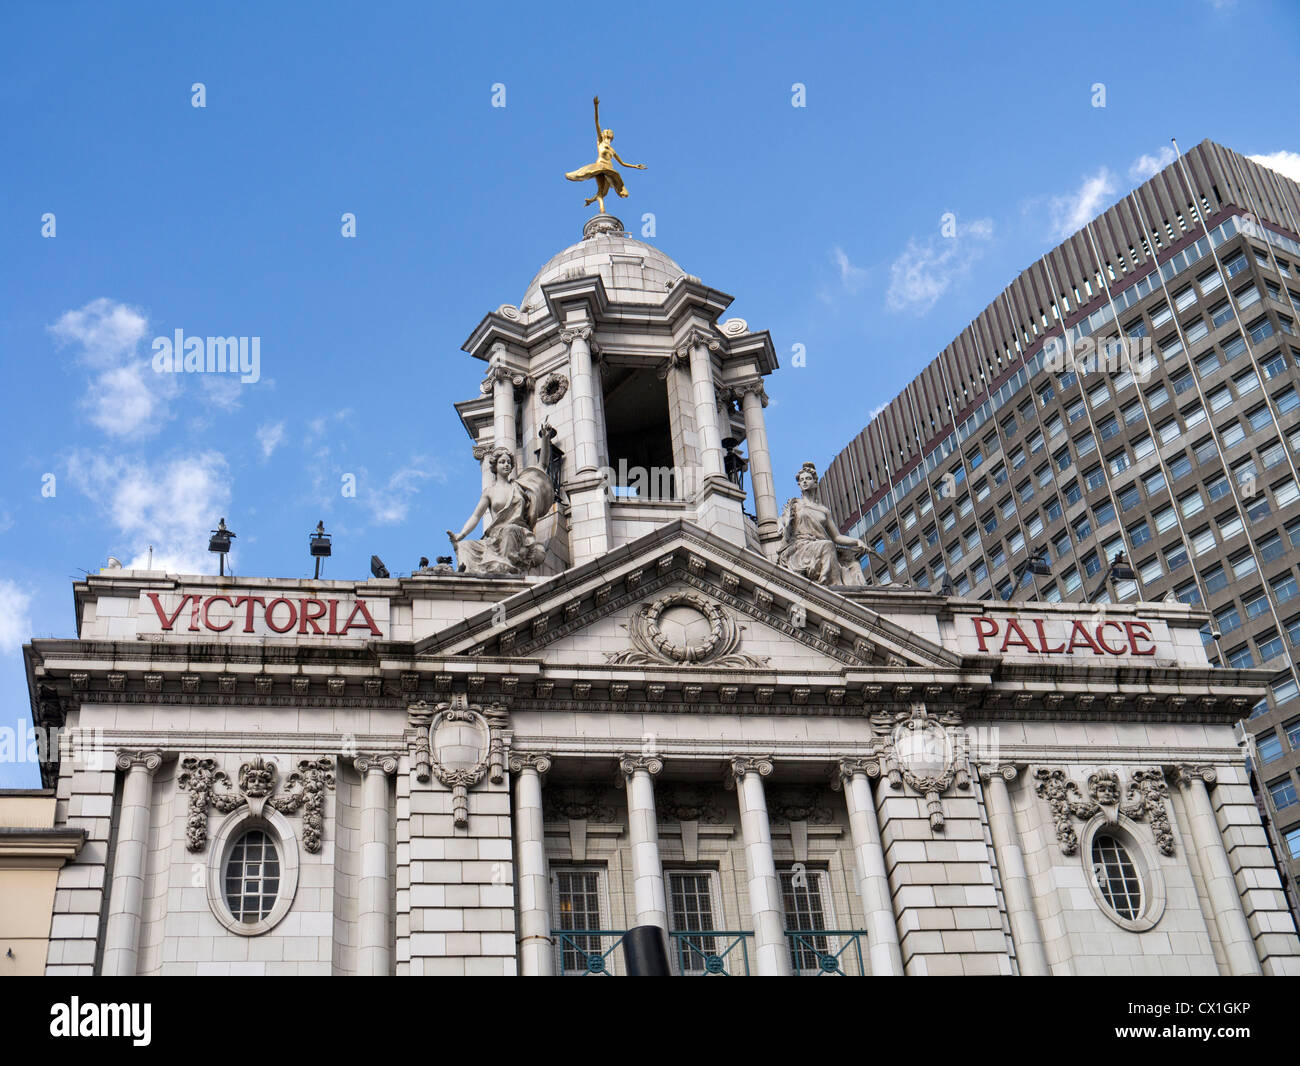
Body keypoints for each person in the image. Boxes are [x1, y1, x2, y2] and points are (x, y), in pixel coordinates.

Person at [447, 447, 555, 575]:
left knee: (509, 530)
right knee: (465, 546)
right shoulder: (489, 492)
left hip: (517, 534)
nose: (506, 465)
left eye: (508, 462)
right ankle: (468, 577)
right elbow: (476, 516)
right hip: (495, 539)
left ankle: (504, 567)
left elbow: (542, 466)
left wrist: (545, 440)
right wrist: (461, 535)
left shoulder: (519, 487)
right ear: (495, 466)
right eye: (502, 462)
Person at [777, 462, 868, 586]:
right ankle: (834, 586)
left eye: (808, 478)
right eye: (802, 480)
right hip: (799, 548)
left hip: (819, 547)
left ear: (815, 482)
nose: (804, 481)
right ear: (799, 485)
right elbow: (784, 520)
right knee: (828, 546)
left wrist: (857, 541)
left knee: (853, 564)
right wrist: (782, 524)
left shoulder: (824, 511)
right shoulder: (795, 504)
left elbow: (837, 537)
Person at [564, 96, 646, 215]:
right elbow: (597, 123)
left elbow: (622, 163)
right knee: (600, 189)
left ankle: (594, 202)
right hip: (600, 166)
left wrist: (635, 166)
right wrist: (596, 107)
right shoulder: (600, 142)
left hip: (609, 169)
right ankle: (600, 208)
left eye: (609, 131)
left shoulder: (612, 150)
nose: (608, 131)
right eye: (607, 131)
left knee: (605, 192)